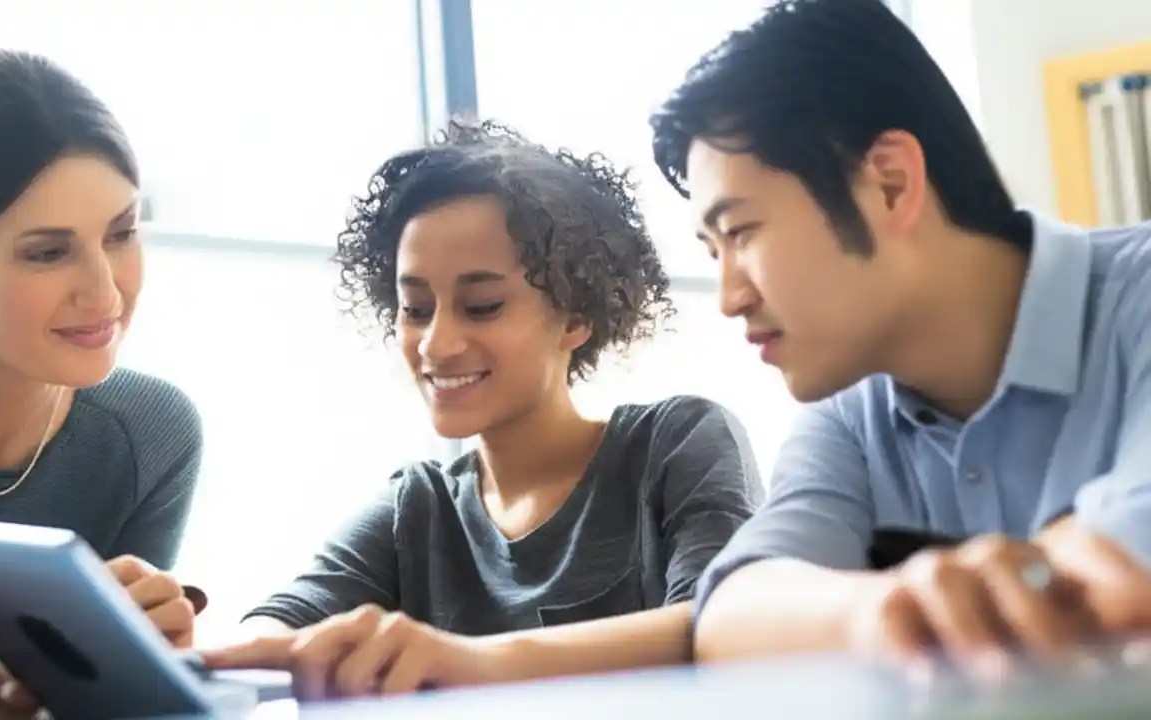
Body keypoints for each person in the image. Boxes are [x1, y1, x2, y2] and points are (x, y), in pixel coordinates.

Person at [649, 0, 1151, 680]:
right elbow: (733, 611)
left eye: (740, 232)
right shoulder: (849, 414)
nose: (730, 296)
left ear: (889, 184)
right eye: (714, 253)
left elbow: (1127, 575)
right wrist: (885, 609)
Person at [204, 121, 760, 699]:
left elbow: (727, 627)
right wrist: (208, 651)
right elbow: (277, 627)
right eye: (416, 308)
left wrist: (469, 662)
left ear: (576, 316)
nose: (436, 344)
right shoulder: (417, 509)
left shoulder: (675, 444)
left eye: (482, 306)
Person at [0, 48, 201, 711]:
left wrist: (152, 663)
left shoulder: (151, 435)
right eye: (48, 253)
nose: (105, 293)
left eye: (121, 234)